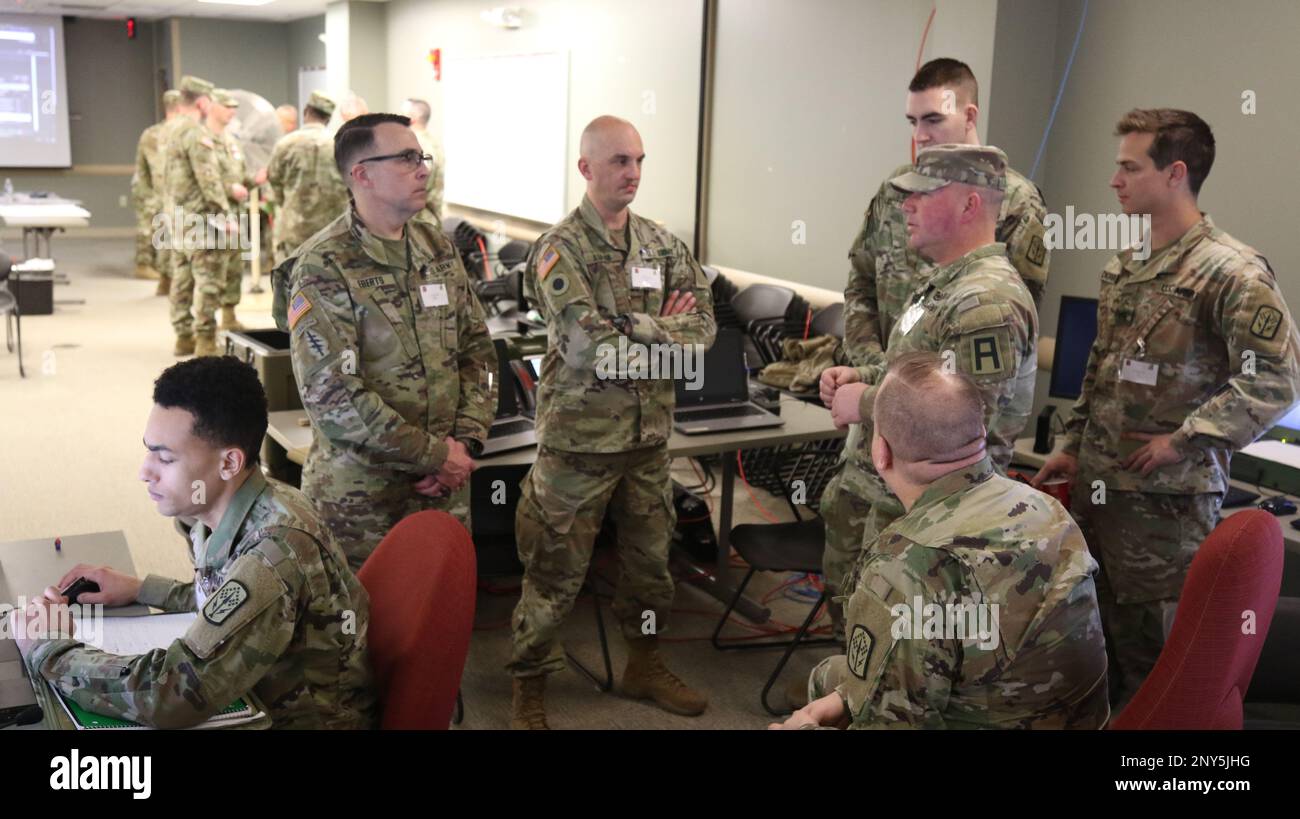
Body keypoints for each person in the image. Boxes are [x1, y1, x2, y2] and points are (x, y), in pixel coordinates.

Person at [1032, 108, 1300, 704]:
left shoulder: (1230, 272)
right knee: (1091, 649)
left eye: (1130, 166)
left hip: (1166, 514)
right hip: (1101, 497)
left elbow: (1276, 381)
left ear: (1175, 172)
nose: (1115, 180)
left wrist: (1185, 439)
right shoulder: (1124, 267)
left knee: (1159, 669)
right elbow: (1099, 373)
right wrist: (1071, 448)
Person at [818, 58, 1050, 648]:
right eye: (911, 121)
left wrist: (866, 398)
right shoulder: (942, 275)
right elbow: (880, 306)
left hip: (940, 481)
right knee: (864, 598)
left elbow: (968, 396)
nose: (919, 134)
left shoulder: (988, 286)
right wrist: (867, 371)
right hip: (885, 448)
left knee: (912, 628)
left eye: (932, 119)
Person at [14, 356, 377, 729]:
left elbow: (171, 696)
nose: (145, 472)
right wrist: (142, 590)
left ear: (229, 463)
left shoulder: (275, 552)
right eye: (149, 450)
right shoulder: (225, 506)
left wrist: (49, 646)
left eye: (165, 458)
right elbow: (225, 599)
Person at [507, 115, 716, 729]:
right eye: (620, 161)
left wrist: (636, 325)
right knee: (553, 576)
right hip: (578, 445)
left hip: (649, 443)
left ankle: (644, 662)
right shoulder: (559, 248)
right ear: (586, 168)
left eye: (640, 161)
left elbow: (703, 331)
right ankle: (528, 685)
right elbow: (584, 346)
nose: (633, 173)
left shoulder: (660, 242)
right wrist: (659, 335)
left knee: (651, 571)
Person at [772, 352, 1109, 729]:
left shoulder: (905, 566)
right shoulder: (1048, 509)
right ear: (980, 434)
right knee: (837, 678)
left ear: (880, 452)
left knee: (824, 685)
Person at [282, 113, 496, 571]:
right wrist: (435, 456)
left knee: (440, 617)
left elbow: (480, 352)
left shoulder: (435, 247)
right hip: (362, 504)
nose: (422, 169)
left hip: (447, 488)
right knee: (362, 630)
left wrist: (466, 442)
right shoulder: (324, 265)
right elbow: (334, 397)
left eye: (421, 157)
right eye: (405, 159)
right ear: (362, 175)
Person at [162, 75, 230, 358]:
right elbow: (209, 179)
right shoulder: (195, 133)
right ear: (202, 102)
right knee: (208, 281)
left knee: (181, 278)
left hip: (175, 218)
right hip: (199, 220)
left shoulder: (171, 129)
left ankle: (182, 336)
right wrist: (224, 215)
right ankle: (205, 340)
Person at [265, 91, 349, 264]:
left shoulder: (285, 144)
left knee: (292, 281)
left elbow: (274, 183)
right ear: (328, 118)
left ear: (306, 112)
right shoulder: (341, 144)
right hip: (333, 229)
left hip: (295, 229)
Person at [208, 88, 253, 333]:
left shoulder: (231, 141)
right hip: (213, 216)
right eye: (226, 106)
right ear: (212, 107)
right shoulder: (203, 141)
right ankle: (206, 323)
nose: (231, 111)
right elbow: (203, 180)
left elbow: (241, 175)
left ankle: (229, 314)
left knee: (235, 267)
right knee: (212, 270)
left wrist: (255, 179)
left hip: (237, 214)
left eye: (234, 107)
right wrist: (229, 188)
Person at [130, 89, 180, 285]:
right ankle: (147, 266)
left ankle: (152, 265)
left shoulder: (150, 133)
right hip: (157, 190)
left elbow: (143, 167)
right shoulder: (166, 135)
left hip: (147, 186)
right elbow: (160, 169)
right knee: (156, 227)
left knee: (152, 226)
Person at [401, 97, 444, 227]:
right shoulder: (434, 143)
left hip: (419, 224)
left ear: (412, 118)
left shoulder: (416, 146)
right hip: (428, 222)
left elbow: (416, 185)